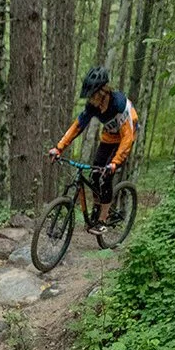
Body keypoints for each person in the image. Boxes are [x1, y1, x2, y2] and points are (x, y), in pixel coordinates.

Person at [48, 65, 139, 234]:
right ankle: (96, 211)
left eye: (92, 95)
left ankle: (103, 220)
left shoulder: (119, 104)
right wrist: (59, 148)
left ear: (102, 91)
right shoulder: (93, 106)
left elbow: (127, 137)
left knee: (106, 176)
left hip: (125, 138)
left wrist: (114, 163)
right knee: (94, 174)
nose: (90, 99)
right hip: (108, 137)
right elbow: (78, 126)